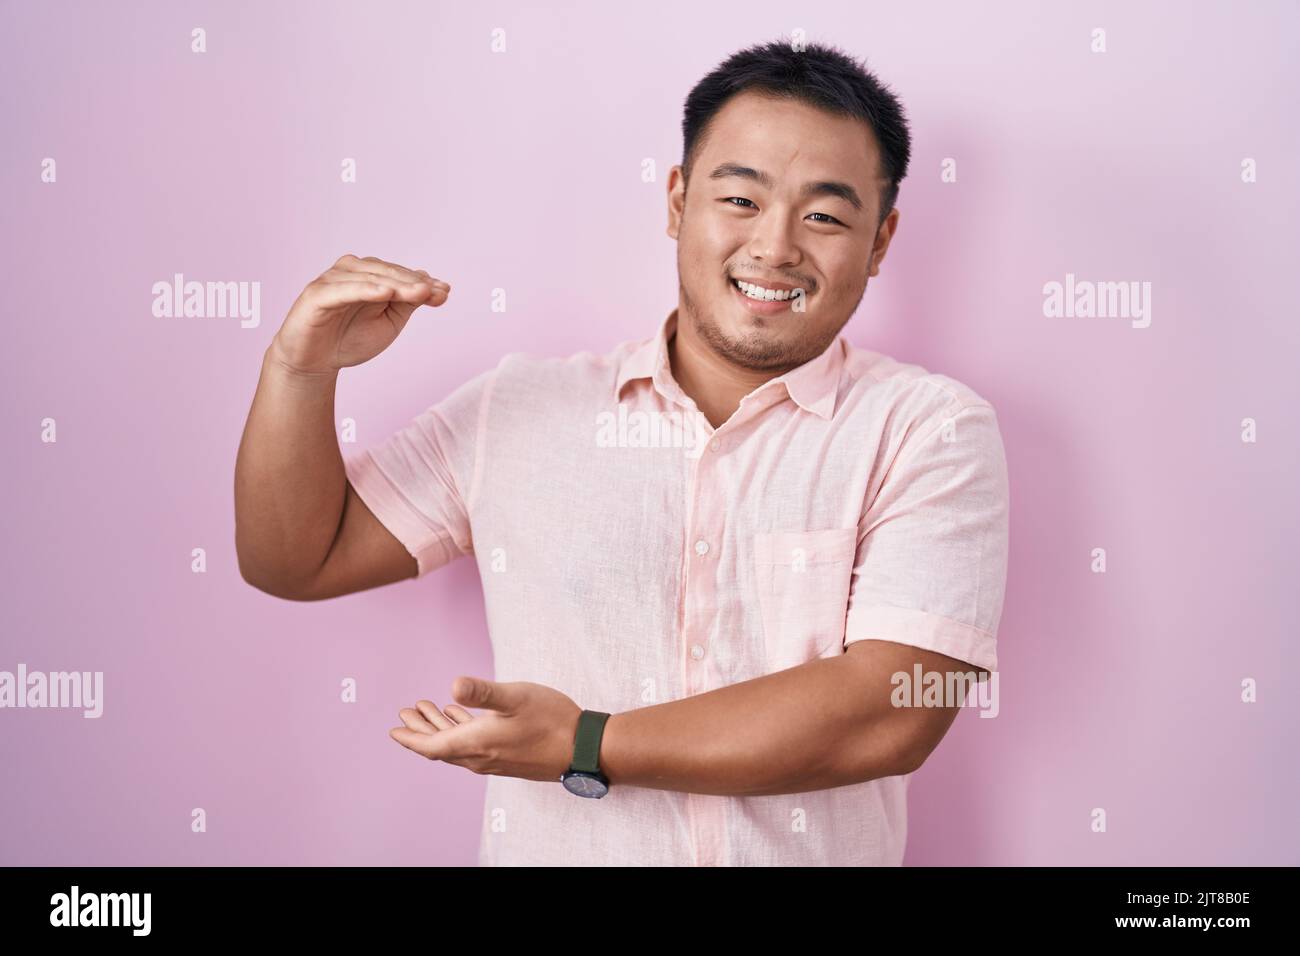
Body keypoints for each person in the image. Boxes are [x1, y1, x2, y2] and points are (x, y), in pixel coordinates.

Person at [234, 38, 1010, 866]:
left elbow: (894, 711)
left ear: (881, 241)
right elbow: (298, 560)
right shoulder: (521, 407)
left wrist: (587, 742)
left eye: (824, 214)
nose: (777, 246)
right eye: (740, 198)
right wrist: (300, 369)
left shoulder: (930, 429)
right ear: (677, 203)